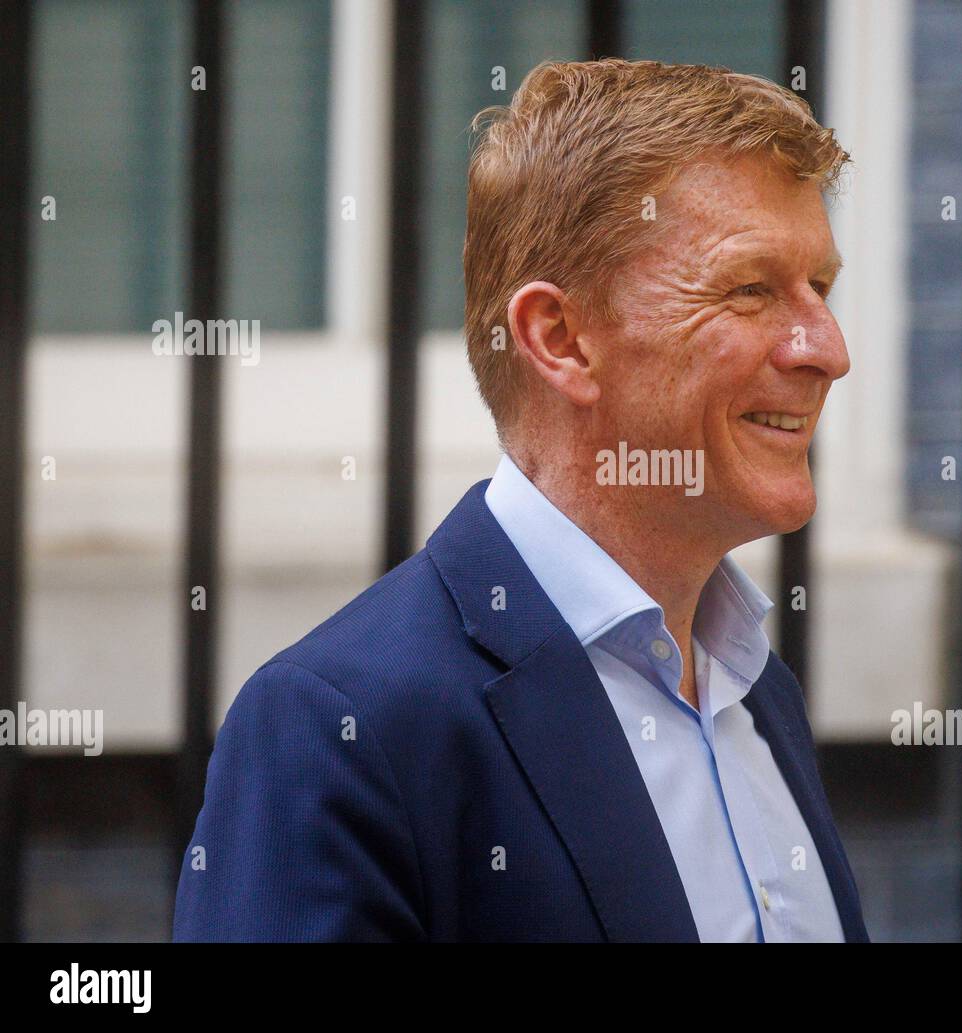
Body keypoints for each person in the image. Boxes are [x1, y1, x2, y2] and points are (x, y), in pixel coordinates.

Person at [173, 58, 868, 942]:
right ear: (560, 338)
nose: (827, 348)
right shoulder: (342, 723)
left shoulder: (755, 688)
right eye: (751, 290)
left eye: (822, 289)